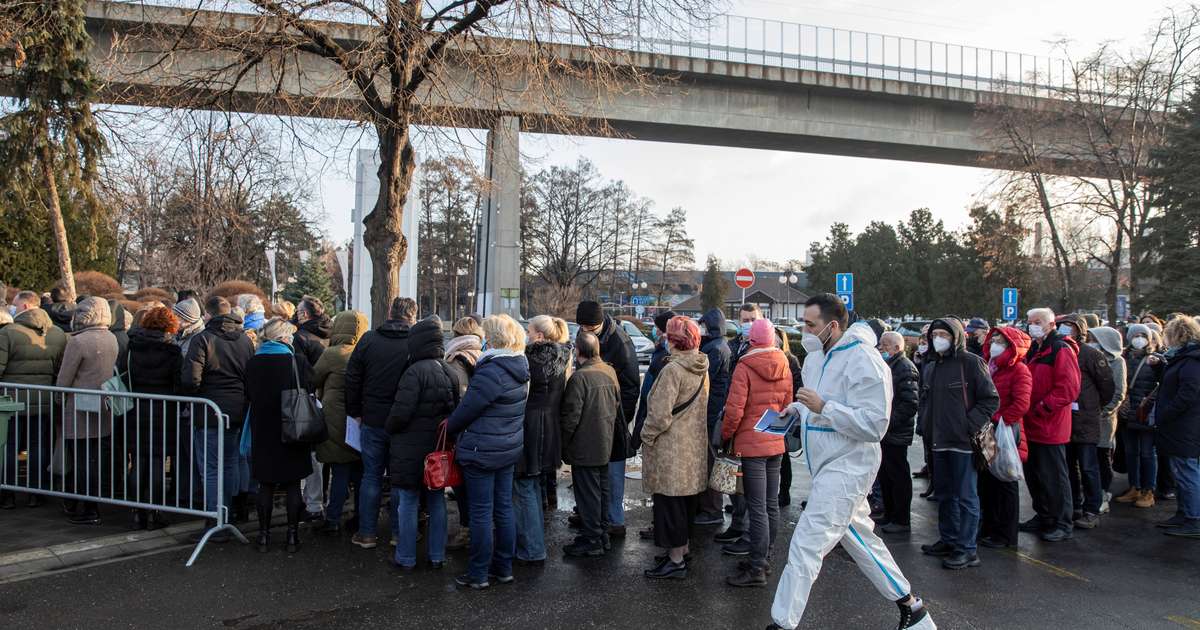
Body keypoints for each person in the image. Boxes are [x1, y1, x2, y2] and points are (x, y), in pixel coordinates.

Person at [767, 294, 934, 630]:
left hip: (851, 466)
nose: (804, 330)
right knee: (859, 539)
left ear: (832, 325)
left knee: (806, 542)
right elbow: (812, 402)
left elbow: (875, 425)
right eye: (803, 323)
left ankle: (783, 623)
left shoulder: (865, 360)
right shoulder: (815, 357)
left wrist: (823, 407)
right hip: (826, 464)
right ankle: (912, 608)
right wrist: (795, 411)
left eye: (810, 324)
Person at [446, 314, 529, 590]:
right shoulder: (519, 365)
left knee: (481, 513)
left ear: (492, 339)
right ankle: (503, 568)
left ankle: (479, 573)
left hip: (482, 450)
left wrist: (449, 427)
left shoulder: (492, 371)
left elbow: (463, 414)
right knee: (503, 508)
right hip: (507, 448)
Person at [918, 318, 999, 570]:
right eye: (935, 334)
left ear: (956, 337)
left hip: (963, 444)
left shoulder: (971, 363)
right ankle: (949, 539)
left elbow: (990, 400)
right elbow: (926, 401)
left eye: (944, 334)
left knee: (966, 497)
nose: (938, 338)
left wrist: (967, 426)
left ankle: (967, 549)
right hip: (937, 442)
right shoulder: (931, 366)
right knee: (944, 495)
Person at [719, 318, 790, 586]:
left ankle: (756, 567)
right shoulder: (784, 362)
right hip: (775, 440)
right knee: (771, 505)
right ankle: (766, 558)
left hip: (751, 444)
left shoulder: (745, 365)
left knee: (756, 507)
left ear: (751, 340)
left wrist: (726, 435)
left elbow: (734, 410)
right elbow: (787, 404)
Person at [386, 316, 460, 570]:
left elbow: (400, 414)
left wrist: (389, 427)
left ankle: (405, 556)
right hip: (437, 451)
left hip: (409, 450)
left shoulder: (413, 372)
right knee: (436, 500)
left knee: (408, 501)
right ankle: (437, 556)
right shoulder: (448, 370)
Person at [640, 316, 709, 580]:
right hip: (693, 445)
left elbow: (659, 415)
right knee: (685, 503)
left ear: (673, 341)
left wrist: (646, 436)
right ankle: (682, 550)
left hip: (671, 449)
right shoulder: (701, 364)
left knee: (669, 505)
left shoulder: (672, 370)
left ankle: (675, 560)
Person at [345, 297, 416, 549]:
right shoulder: (414, 343)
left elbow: (352, 377)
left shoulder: (369, 340)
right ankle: (398, 533)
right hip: (403, 422)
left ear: (389, 312)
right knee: (399, 479)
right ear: (413, 316)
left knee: (371, 477)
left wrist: (355, 411)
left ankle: (367, 533)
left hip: (372, 418)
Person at [181, 295, 255, 536]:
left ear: (208, 315)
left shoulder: (203, 339)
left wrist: (197, 394)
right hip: (237, 410)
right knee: (230, 463)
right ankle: (228, 513)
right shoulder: (245, 340)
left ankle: (215, 520)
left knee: (212, 468)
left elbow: (191, 379)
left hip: (210, 411)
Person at [244, 318, 314, 553]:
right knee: (293, 484)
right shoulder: (297, 361)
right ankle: (292, 537)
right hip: (293, 427)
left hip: (263, 428)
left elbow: (248, 393)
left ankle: (263, 537)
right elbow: (310, 388)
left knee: (265, 484)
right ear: (283, 338)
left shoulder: (253, 362)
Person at [574, 301, 638, 537]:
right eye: (583, 327)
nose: (586, 331)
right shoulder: (586, 334)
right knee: (596, 471)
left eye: (590, 327)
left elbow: (631, 388)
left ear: (600, 323)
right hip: (594, 413)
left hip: (612, 417)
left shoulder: (620, 342)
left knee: (612, 470)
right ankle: (593, 514)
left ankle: (614, 520)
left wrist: (620, 419)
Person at [56, 297, 120, 525]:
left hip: (79, 406)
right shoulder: (111, 338)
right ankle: (90, 506)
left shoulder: (78, 342)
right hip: (104, 405)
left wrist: (57, 396)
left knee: (80, 459)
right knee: (94, 459)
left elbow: (65, 378)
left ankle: (84, 507)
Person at [0, 291, 66, 510]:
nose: (14, 309)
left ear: (26, 307)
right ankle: (37, 492)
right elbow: (59, 369)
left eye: (16, 306)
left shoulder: (8, 333)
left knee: (9, 447)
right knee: (39, 447)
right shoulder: (57, 334)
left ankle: (7, 493)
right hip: (43, 400)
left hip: (11, 402)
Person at [559, 330, 622, 558]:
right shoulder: (609, 370)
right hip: (605, 442)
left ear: (577, 351)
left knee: (587, 495)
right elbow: (616, 403)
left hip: (584, 445)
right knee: (602, 492)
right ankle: (601, 534)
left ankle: (591, 538)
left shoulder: (580, 378)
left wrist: (563, 445)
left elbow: (570, 417)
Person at [1021, 308, 1082, 542]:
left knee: (1054, 476)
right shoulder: (1035, 348)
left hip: (1050, 424)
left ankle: (1062, 522)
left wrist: (1043, 408)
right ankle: (1044, 515)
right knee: (1035, 474)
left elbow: (1068, 388)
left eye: (1037, 322)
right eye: (1030, 322)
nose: (1032, 325)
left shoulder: (1060, 349)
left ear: (1050, 324)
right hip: (1032, 423)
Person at [516, 315, 571, 564]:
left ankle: (533, 546)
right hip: (551, 425)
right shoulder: (563, 356)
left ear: (539, 335)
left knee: (526, 484)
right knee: (535, 484)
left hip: (531, 424)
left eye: (529, 332)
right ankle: (534, 541)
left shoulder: (527, 359)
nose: (526, 335)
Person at [124, 306, 182, 530]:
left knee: (138, 460)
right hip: (164, 409)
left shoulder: (132, 347)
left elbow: (123, 373)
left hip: (137, 407)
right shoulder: (173, 351)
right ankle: (156, 512)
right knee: (158, 461)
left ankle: (137, 512)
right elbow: (179, 382)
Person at [1057, 314, 1115, 529]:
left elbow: (1107, 385)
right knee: (1069, 466)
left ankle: (1092, 509)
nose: (1065, 329)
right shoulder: (1059, 350)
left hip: (1087, 419)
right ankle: (1074, 505)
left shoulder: (1090, 354)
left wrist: (1094, 405)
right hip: (1065, 418)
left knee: (1089, 466)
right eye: (1062, 326)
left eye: (1070, 326)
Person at [312, 310, 368, 534]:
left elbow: (314, 378)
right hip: (361, 418)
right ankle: (361, 518)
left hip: (335, 418)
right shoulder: (365, 353)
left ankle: (333, 518)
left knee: (340, 471)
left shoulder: (332, 353)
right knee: (361, 473)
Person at [978, 326, 1031, 549]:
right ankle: (989, 527)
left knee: (1005, 483)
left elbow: (1021, 404)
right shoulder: (990, 367)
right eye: (993, 340)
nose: (994, 345)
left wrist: (998, 419)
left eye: (1000, 341)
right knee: (988, 482)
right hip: (988, 432)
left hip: (1005, 432)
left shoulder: (1019, 370)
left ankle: (1006, 534)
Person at [1155, 316, 1200, 538]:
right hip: (1180, 426)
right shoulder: (1183, 358)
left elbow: (1189, 393)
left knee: (1187, 471)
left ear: (1178, 335)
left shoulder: (1191, 360)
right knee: (1182, 471)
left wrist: (1166, 412)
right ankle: (1185, 513)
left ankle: (1194, 519)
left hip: (1184, 426)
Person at [445, 316, 484, 550]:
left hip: (463, 428)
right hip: (484, 428)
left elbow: (458, 396)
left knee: (461, 481)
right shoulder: (484, 355)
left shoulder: (454, 359)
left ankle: (468, 528)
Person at [291, 296, 331, 522]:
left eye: (298, 310)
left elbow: (300, 371)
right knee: (326, 453)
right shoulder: (334, 333)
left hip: (309, 399)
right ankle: (324, 498)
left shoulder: (301, 337)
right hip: (331, 399)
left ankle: (313, 503)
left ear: (305, 314)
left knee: (312, 454)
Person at [1116, 323, 1164, 508]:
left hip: (1145, 413)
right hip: (1127, 412)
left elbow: (1163, 381)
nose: (1139, 338)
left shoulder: (1156, 358)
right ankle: (1134, 487)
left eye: (1143, 335)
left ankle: (1148, 491)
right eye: (1136, 335)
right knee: (1131, 452)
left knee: (1147, 453)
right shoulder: (1124, 356)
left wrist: (1159, 365)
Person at [877, 331, 919, 534]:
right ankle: (890, 513)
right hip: (886, 432)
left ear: (897, 347)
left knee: (898, 476)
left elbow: (910, 404)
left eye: (886, 345)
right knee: (885, 475)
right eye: (881, 344)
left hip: (896, 432)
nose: (881, 348)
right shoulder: (887, 366)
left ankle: (901, 519)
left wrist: (888, 422)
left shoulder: (904, 367)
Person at [697, 307, 733, 526]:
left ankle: (712, 511)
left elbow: (703, 379)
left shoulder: (715, 349)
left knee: (710, 462)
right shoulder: (719, 346)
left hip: (711, 414)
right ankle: (710, 509)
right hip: (714, 410)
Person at [1090, 326, 1127, 513]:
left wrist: (1104, 411)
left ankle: (1104, 493)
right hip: (1088, 418)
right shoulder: (1092, 358)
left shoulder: (1117, 362)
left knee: (1102, 456)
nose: (1091, 342)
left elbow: (1119, 393)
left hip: (1104, 419)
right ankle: (1093, 493)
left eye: (1095, 339)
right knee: (1089, 459)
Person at [775, 326, 803, 508]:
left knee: (783, 458)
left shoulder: (790, 360)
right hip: (773, 413)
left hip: (785, 414)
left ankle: (784, 494)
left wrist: (791, 407)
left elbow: (798, 386)